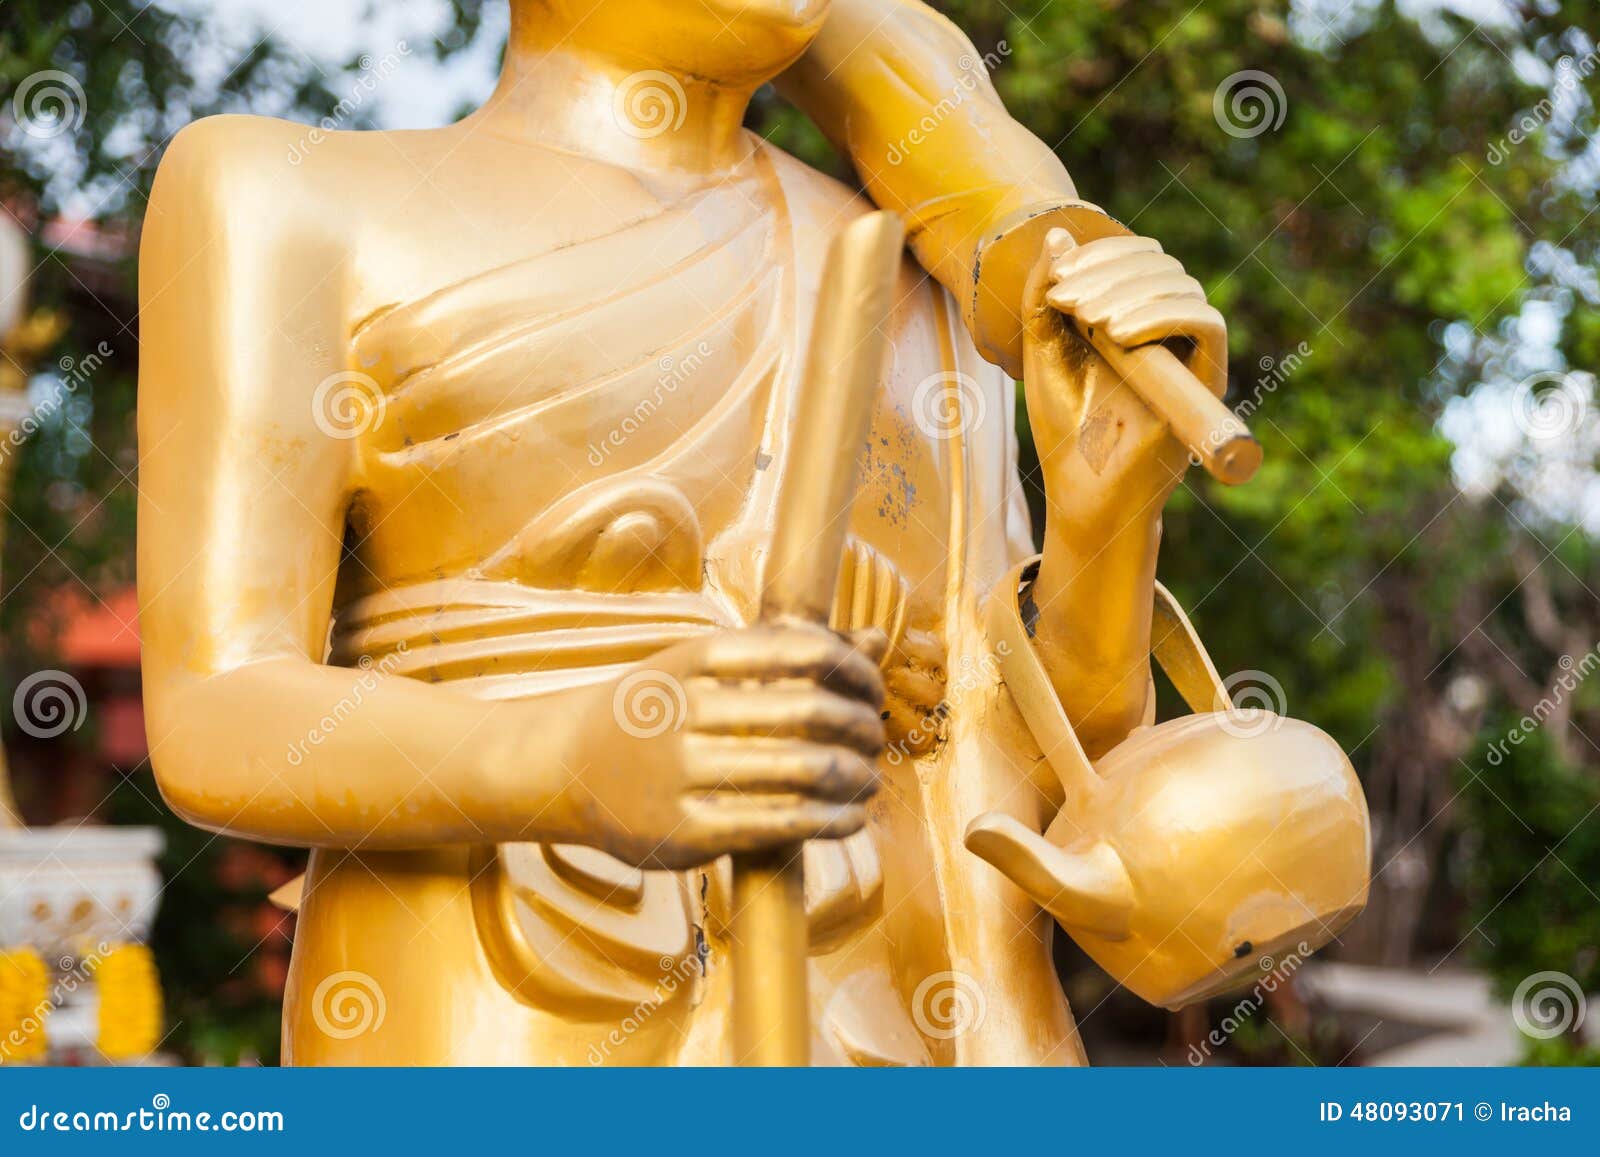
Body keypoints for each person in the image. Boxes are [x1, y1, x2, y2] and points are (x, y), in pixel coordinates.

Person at [138, 0, 1229, 1064]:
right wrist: (558, 755)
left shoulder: (912, 280)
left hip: (866, 1008)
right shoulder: (292, 197)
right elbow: (216, 709)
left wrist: (1110, 506)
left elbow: (1014, 754)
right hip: (492, 999)